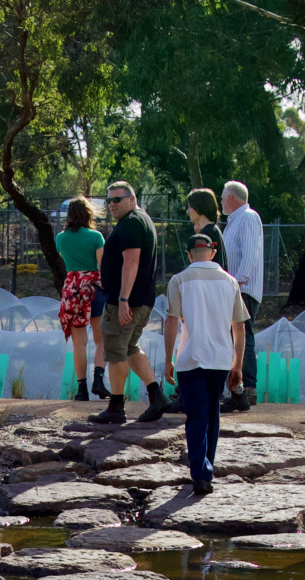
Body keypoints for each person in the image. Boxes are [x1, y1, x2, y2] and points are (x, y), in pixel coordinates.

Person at [158, 225, 247, 495]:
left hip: (190, 356)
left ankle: (200, 473)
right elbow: (239, 327)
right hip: (220, 358)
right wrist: (238, 365)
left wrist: (168, 359)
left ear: (189, 254)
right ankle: (207, 467)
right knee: (212, 414)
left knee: (196, 414)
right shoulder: (229, 281)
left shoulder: (179, 280)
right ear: (212, 252)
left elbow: (172, 320)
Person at [92, 180, 164, 424]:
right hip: (141, 300)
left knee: (115, 351)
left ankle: (116, 407)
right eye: (109, 200)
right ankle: (156, 395)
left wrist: (123, 299)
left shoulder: (132, 222)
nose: (112, 204)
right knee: (131, 347)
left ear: (132, 200)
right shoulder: (140, 219)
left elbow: (131, 262)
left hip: (128, 302)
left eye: (117, 199)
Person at [54, 195, 105, 401]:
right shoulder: (96, 237)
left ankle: (81, 388)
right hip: (94, 289)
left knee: (79, 343)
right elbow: (102, 267)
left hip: (72, 291)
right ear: (88, 214)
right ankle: (99, 380)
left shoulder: (60, 239)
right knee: (102, 339)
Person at [221, 180, 265, 410]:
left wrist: (237, 281)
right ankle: (236, 388)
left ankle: (247, 388)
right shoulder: (234, 221)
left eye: (222, 197)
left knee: (242, 336)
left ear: (231, 198)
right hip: (237, 287)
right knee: (234, 338)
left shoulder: (248, 217)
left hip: (242, 289)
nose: (220, 202)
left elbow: (250, 253)